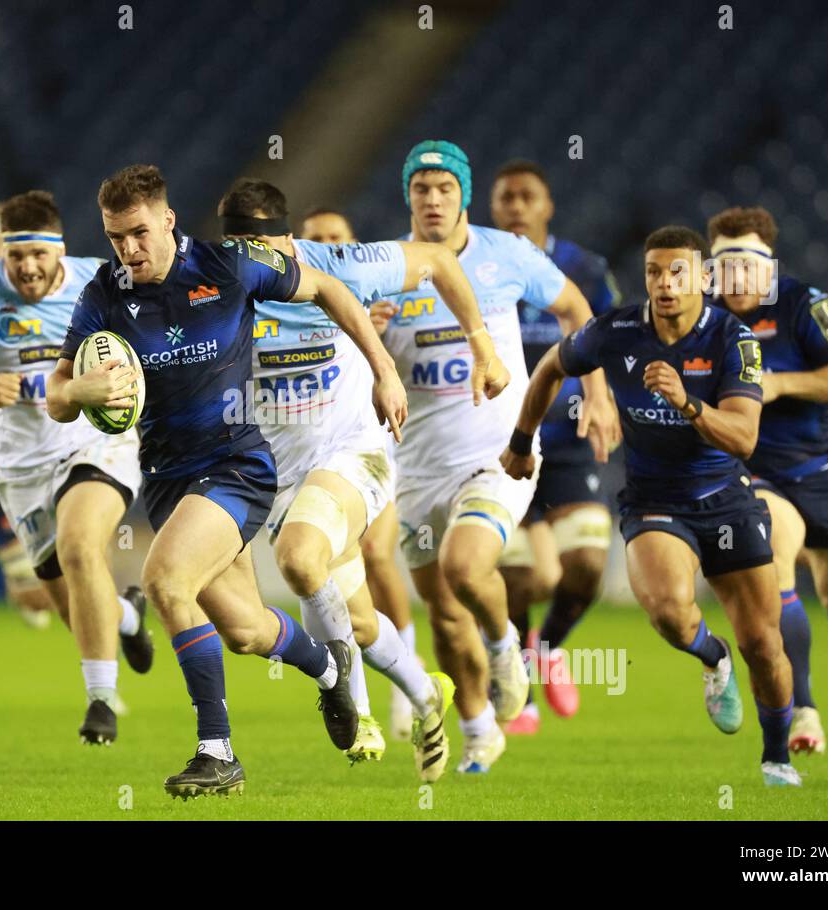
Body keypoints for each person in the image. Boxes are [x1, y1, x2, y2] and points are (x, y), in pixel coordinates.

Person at [46, 164, 407, 797]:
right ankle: (328, 668)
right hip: (166, 479)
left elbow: (329, 291)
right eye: (114, 238)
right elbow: (55, 396)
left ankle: (217, 753)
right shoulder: (104, 294)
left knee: (162, 579)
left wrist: (383, 369)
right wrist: (82, 387)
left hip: (235, 466)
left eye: (137, 233)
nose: (128, 250)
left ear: (167, 220)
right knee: (244, 631)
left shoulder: (228, 266)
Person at [220, 177, 510, 777]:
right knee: (353, 618)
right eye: (239, 251)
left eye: (264, 250)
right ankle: (427, 695)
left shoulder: (339, 264)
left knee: (300, 560)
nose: (253, 265)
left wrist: (481, 345)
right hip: (281, 477)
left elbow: (435, 261)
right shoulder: (217, 291)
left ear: (288, 240)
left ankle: (346, 699)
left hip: (355, 453)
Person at [502, 225, 801, 787]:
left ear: (704, 279)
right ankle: (713, 657)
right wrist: (521, 442)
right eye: (655, 273)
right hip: (655, 500)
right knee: (667, 611)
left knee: (763, 641)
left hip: (726, 499)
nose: (665, 284)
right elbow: (548, 369)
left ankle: (777, 757)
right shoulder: (617, 331)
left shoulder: (734, 341)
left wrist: (687, 402)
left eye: (678, 272)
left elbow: (743, 439)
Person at [372, 140, 617, 773]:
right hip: (419, 467)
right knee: (447, 622)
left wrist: (595, 389)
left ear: (464, 195)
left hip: (500, 455)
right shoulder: (382, 268)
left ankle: (509, 643)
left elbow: (575, 309)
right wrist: (366, 332)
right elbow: (356, 360)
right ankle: (480, 727)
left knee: (464, 564)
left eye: (444, 188)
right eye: (421, 188)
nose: (432, 199)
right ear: (408, 197)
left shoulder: (505, 254)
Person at [0, 190, 152, 745]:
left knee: (80, 548)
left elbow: (161, 332)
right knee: (65, 599)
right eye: (16, 256)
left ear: (60, 250)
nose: (27, 267)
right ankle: (126, 617)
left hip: (95, 442)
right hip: (22, 469)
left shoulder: (101, 282)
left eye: (37, 255)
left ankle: (100, 703)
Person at [708, 206, 828, 753]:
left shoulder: (804, 302)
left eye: (747, 264)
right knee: (776, 563)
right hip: (757, 475)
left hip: (823, 472)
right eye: (723, 265)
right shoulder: (700, 316)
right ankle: (804, 709)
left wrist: (783, 384)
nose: (735, 278)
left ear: (768, 267)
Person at [490, 158, 621, 734]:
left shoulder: (584, 269)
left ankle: (550, 646)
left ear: (547, 207)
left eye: (527, 196)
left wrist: (603, 396)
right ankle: (519, 669)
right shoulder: (478, 263)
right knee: (524, 577)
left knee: (587, 564)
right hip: (501, 440)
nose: (516, 206)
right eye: (506, 197)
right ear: (493, 208)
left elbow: (612, 336)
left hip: (567, 437)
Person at [296, 206, 423, 742]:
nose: (325, 244)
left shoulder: (373, 294)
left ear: (349, 245)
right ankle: (399, 681)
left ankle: (392, 687)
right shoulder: (289, 297)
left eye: (335, 237)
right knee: (329, 582)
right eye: (315, 238)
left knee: (375, 556)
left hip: (370, 448)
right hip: (305, 461)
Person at [0, 200, 57, 629]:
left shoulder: (55, 296)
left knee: (66, 574)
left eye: (2, 245)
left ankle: (118, 625)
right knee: (34, 589)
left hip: (61, 445)